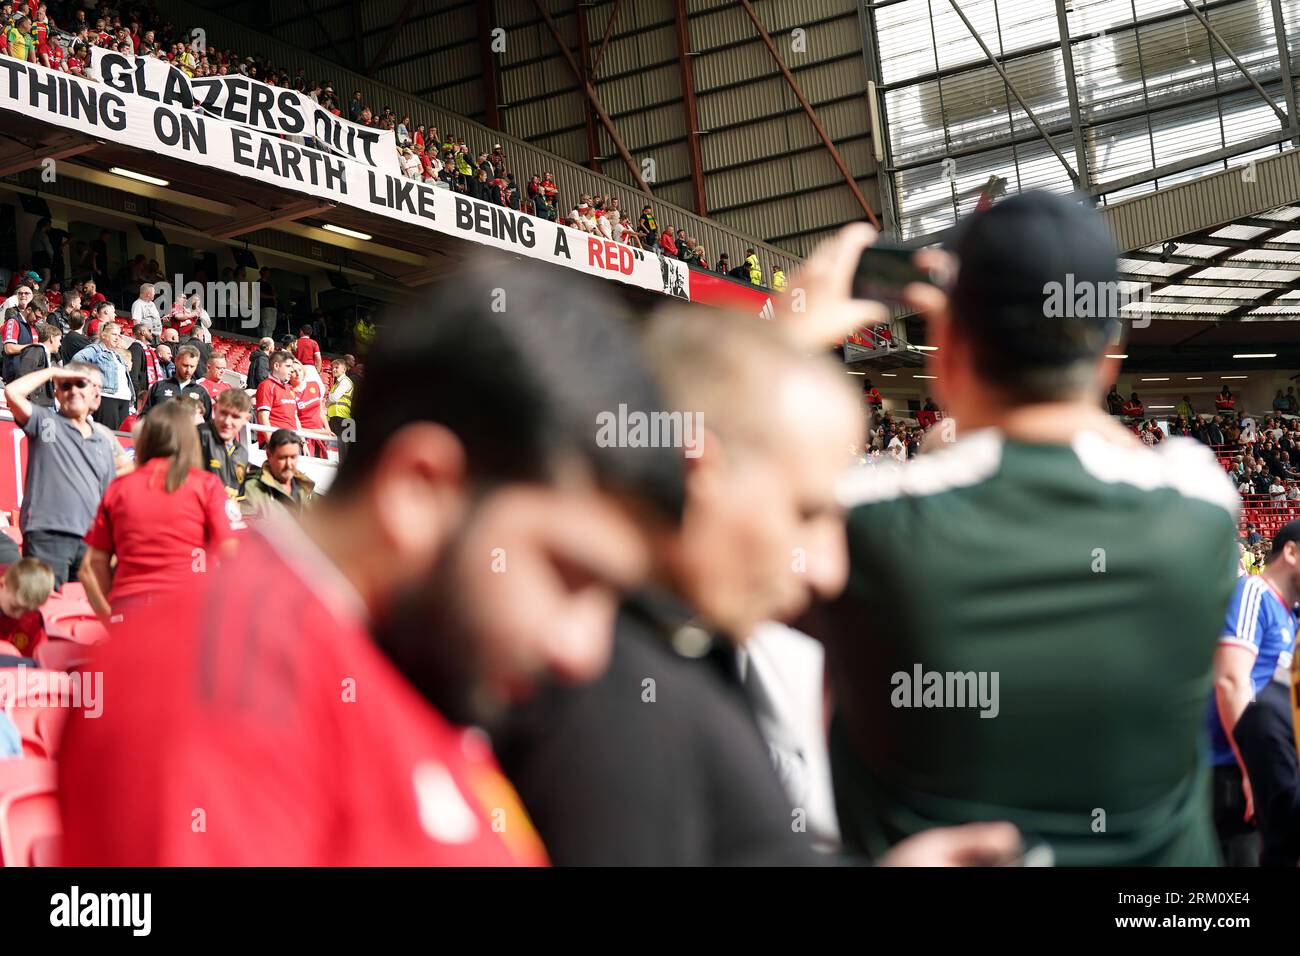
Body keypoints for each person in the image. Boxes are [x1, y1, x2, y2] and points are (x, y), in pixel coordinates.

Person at [59, 261, 688, 866]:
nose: (585, 651)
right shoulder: (216, 687)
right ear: (420, 489)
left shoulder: (415, 662)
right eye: (569, 576)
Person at [496, 306, 1020, 866]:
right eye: (805, 514)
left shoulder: (674, 649)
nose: (828, 569)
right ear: (699, 471)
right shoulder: (610, 702)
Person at [816, 192, 1240, 866]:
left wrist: (788, 329)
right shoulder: (1202, 505)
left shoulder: (859, 519)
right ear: (1110, 356)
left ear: (946, 349)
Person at [79, 401, 244, 625]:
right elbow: (231, 554)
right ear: (189, 441)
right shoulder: (205, 485)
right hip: (188, 609)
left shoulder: (119, 487)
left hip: (130, 613)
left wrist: (111, 618)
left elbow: (92, 566)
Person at [4, 362, 130, 588]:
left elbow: (108, 495)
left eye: (80, 384)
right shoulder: (47, 423)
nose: (72, 390)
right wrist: (53, 372)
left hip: (91, 541)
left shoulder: (103, 439)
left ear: (96, 393)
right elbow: (12, 392)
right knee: (44, 611)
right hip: (47, 535)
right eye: (64, 386)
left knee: (82, 612)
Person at [72, 321, 135, 431]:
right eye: (114, 334)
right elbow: (77, 360)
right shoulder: (96, 349)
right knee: (106, 435)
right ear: (103, 335)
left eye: (119, 335)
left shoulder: (117, 355)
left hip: (123, 398)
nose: (117, 338)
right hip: (107, 397)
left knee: (121, 438)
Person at [198, 388, 252, 499]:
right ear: (215, 409)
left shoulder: (242, 453)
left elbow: (238, 498)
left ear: (246, 419)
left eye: (235, 417)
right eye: (223, 413)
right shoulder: (199, 435)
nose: (227, 422)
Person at [0, 558, 55, 657]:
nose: (18, 615)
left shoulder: (33, 621)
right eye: (15, 607)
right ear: (2, 584)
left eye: (27, 610)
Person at [145, 344, 212, 418]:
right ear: (176, 361)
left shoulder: (201, 392)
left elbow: (208, 423)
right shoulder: (159, 387)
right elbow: (144, 416)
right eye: (185, 365)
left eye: (192, 366)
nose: (188, 370)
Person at [254, 350, 299, 444]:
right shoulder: (266, 385)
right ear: (276, 366)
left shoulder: (289, 388)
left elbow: (295, 418)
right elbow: (263, 417)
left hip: (293, 442)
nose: (292, 370)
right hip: (277, 442)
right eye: (288, 366)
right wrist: (271, 443)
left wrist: (303, 442)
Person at [15, 322, 61, 406]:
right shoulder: (36, 350)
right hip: (34, 405)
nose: (60, 344)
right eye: (59, 340)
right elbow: (23, 374)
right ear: (52, 338)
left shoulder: (43, 353)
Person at [325, 355, 354, 439]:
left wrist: (325, 404)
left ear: (344, 369)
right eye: (333, 367)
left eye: (336, 367)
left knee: (340, 447)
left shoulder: (345, 381)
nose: (334, 369)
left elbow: (333, 398)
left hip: (341, 419)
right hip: (338, 418)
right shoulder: (338, 383)